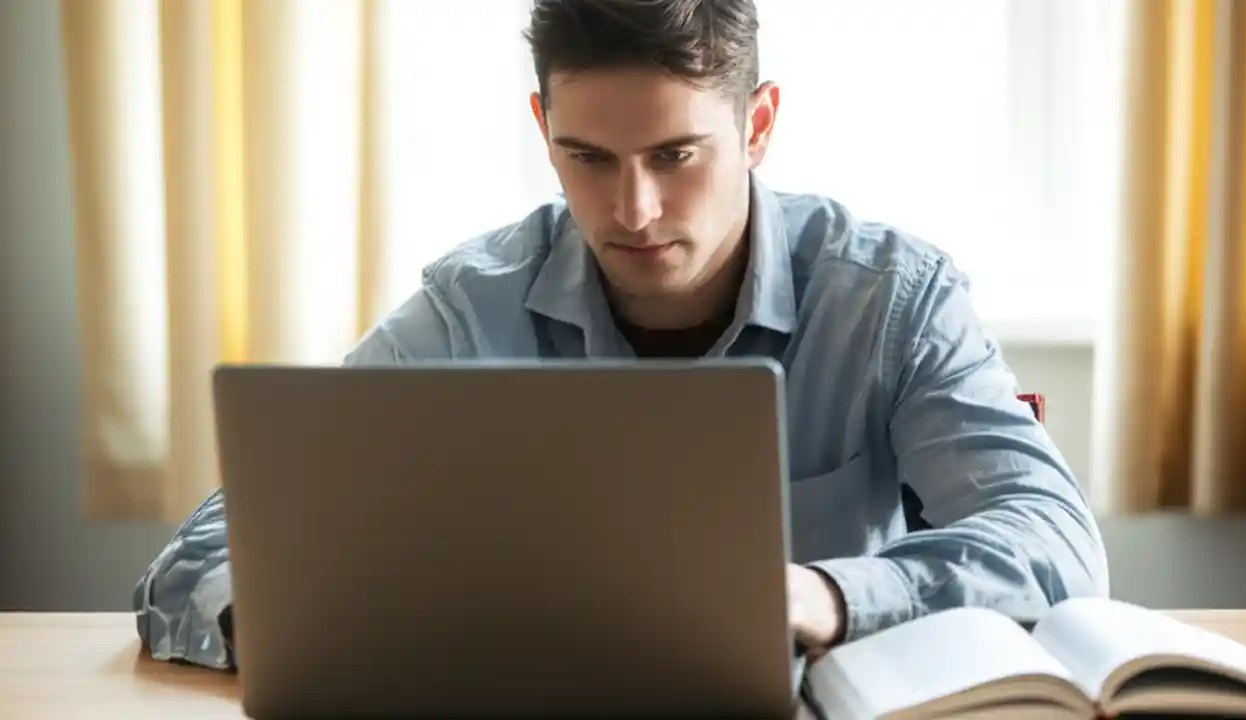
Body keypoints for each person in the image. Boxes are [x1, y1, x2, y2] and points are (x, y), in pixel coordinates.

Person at [133, 0, 1108, 671]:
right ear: (540, 125)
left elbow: (1054, 540)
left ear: (757, 125)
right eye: (586, 157)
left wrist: (825, 597)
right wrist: (338, 634)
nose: (633, 209)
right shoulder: (467, 309)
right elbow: (203, 553)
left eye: (675, 154)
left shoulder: (891, 297)